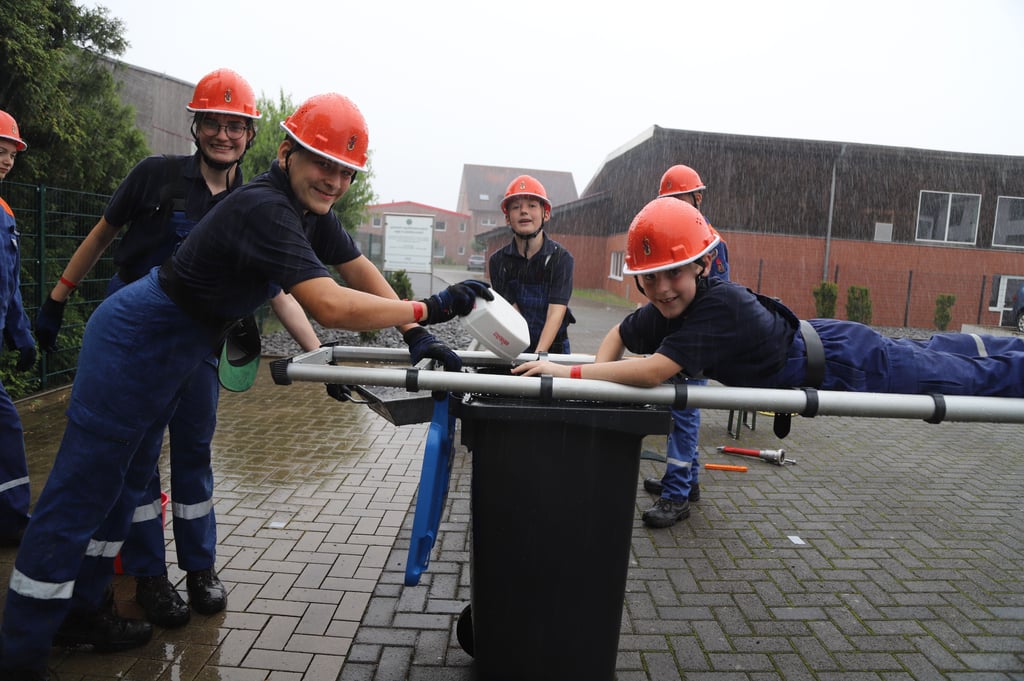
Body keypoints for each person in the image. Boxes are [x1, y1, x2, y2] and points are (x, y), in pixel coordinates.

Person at [0, 91, 491, 676]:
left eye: (344, 171)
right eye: (322, 163)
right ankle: (19, 652)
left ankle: (80, 613)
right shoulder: (266, 207)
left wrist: (415, 339)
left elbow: (356, 268)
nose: (333, 180)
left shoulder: (310, 211)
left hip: (181, 346)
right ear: (287, 153)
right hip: (136, 342)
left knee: (118, 490)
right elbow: (328, 303)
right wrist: (426, 311)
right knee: (80, 493)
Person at [32, 68, 321, 629]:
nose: (224, 135)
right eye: (213, 122)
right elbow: (101, 235)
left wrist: (316, 353)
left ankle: (200, 569)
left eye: (236, 126)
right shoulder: (153, 177)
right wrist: (57, 297)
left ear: (251, 136)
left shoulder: (259, 202)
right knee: (138, 465)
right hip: (139, 337)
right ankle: (149, 577)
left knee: (194, 453)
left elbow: (282, 289)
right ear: (196, 126)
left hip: (201, 345)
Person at [513, 197, 1024, 398]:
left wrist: (567, 372)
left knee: (965, 382)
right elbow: (620, 334)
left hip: (849, 363)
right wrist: (601, 390)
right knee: (940, 351)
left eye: (674, 274)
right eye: (651, 279)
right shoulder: (665, 307)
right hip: (825, 338)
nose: (663, 289)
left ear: (702, 265)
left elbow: (649, 371)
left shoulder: (719, 305)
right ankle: (991, 347)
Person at [641, 165, 729, 528]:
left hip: (693, 342)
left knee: (685, 415)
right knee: (679, 414)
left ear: (698, 199)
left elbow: (713, 295)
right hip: (673, 337)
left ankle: (676, 497)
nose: (674, 207)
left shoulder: (710, 241)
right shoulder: (665, 236)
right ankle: (685, 482)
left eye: (680, 200)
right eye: (668, 201)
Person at [0, 109, 36, 547]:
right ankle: (10, 521)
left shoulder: (5, 213)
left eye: (11, 153)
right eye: (0, 150)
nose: (6, 160)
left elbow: (9, 285)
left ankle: (10, 521)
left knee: (6, 428)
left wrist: (21, 335)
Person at [488, 175, 574, 353]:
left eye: (532, 206)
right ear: (507, 218)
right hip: (517, 344)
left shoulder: (561, 259)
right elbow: (513, 316)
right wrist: (522, 356)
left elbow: (555, 315)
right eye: (516, 207)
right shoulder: (499, 262)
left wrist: (538, 358)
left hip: (554, 351)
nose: (524, 211)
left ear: (546, 214)